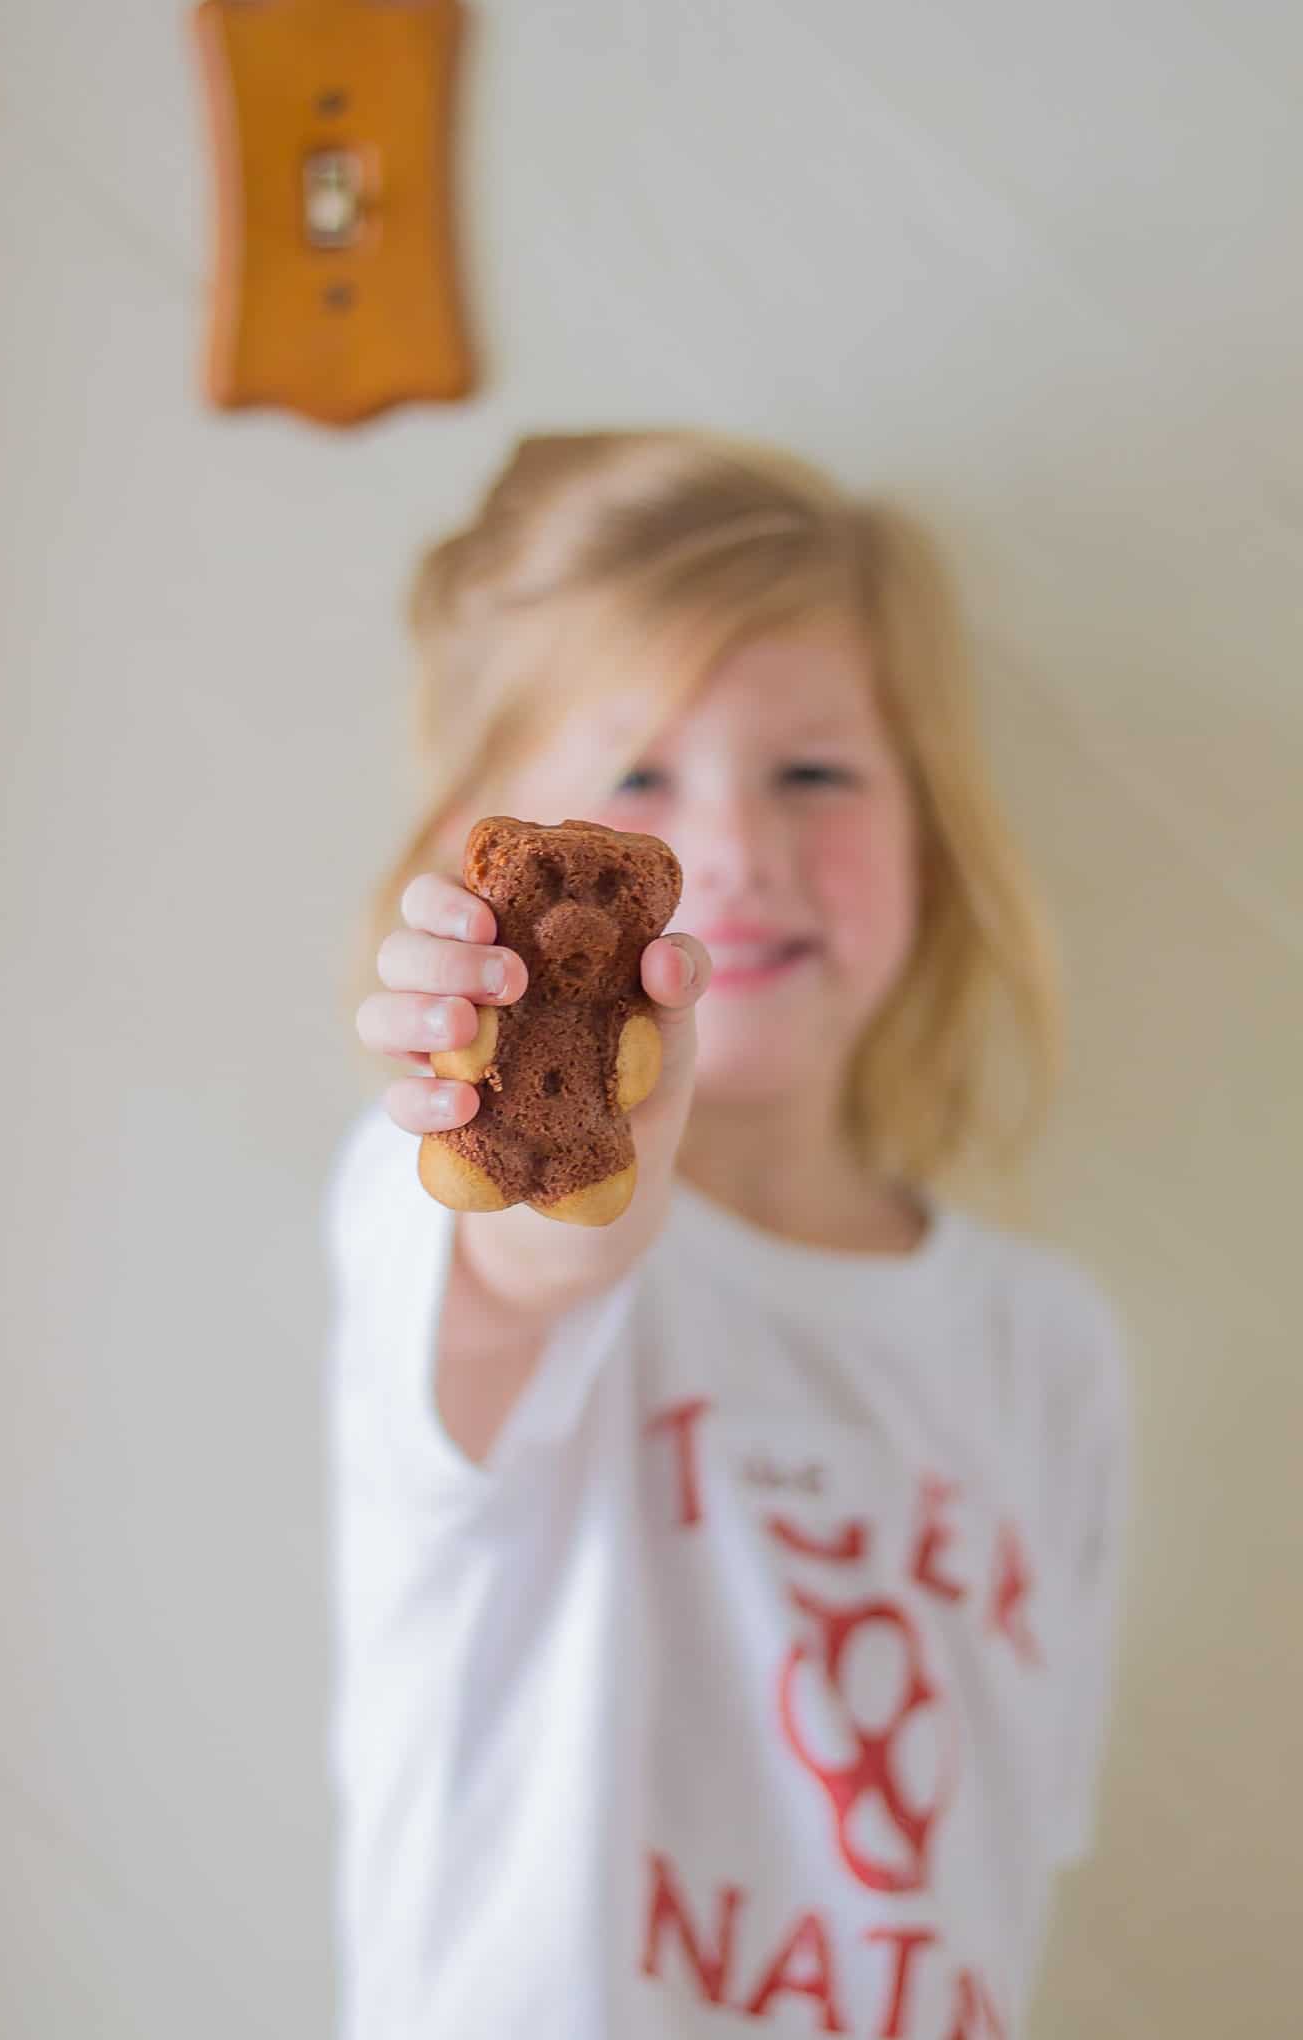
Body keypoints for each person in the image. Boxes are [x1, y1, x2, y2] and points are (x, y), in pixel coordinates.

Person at [322, 428, 1131, 2040]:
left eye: (815, 773)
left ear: (930, 823)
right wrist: (547, 1139)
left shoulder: (1049, 1349)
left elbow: (1018, 1837)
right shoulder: (452, 1204)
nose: (739, 855)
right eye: (638, 781)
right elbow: (534, 1263)